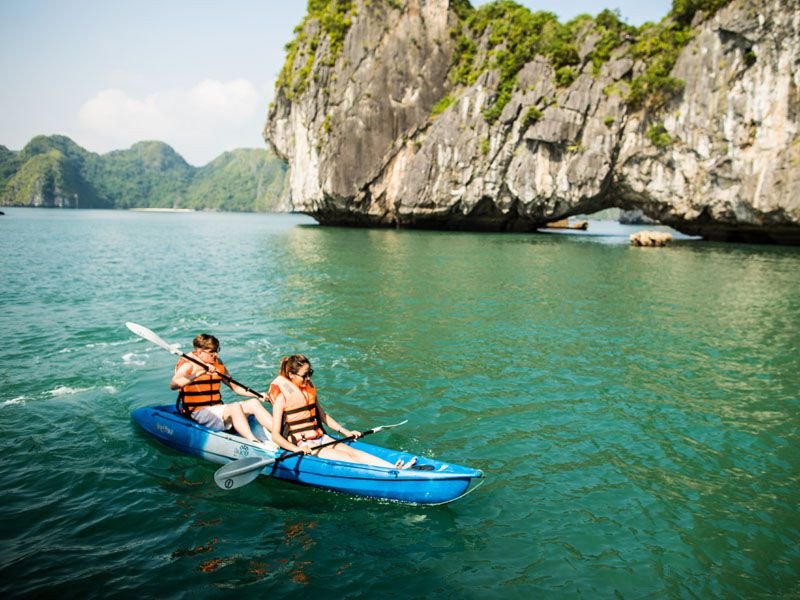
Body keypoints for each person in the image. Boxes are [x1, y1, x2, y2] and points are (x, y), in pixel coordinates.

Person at [268, 354, 416, 468]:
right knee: (347, 459)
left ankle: (393, 468)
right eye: (304, 375)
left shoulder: (309, 389)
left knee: (355, 453)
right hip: (303, 444)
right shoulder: (282, 397)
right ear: (291, 375)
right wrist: (295, 449)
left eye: (310, 373)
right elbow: (276, 436)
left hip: (319, 437)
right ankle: (390, 474)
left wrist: (345, 432)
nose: (308, 378)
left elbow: (323, 416)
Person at [170, 333, 272, 445]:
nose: (215, 355)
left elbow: (236, 387)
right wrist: (198, 373)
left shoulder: (218, 363)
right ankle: (254, 443)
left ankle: (279, 434)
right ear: (199, 352)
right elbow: (174, 385)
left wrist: (258, 395)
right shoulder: (189, 365)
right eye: (211, 352)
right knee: (235, 407)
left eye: (216, 350)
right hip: (198, 412)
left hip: (216, 409)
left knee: (254, 403)